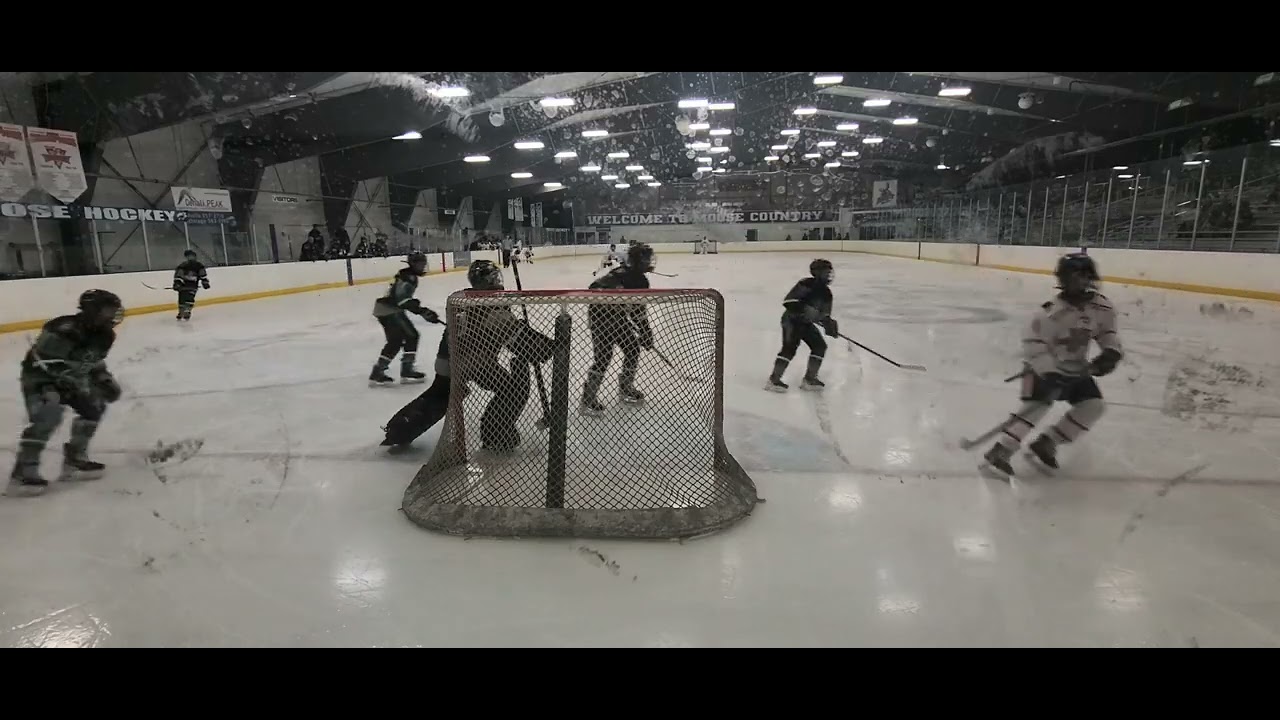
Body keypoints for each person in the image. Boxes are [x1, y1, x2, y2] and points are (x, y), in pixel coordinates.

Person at [380, 260, 553, 451]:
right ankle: (495, 433)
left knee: (439, 394)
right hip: (477, 362)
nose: (497, 281)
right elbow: (519, 341)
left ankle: (401, 428)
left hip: (447, 360)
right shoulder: (492, 306)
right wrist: (546, 346)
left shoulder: (463, 300)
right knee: (512, 390)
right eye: (493, 278)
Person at [982, 253, 1123, 477]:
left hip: (1077, 368)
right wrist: (1047, 371)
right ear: (1064, 280)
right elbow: (1033, 343)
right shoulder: (1050, 312)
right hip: (1040, 368)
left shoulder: (1102, 308)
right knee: (1038, 406)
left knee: (1093, 405)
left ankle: (1048, 442)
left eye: (1087, 276)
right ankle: (1002, 450)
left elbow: (1108, 334)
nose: (1084, 282)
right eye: (1077, 276)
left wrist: (1111, 352)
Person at [9, 290, 124, 496]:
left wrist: (103, 378)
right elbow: (46, 362)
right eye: (108, 310)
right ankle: (23, 471)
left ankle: (75, 459)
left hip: (71, 381)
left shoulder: (105, 335)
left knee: (94, 407)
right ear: (93, 311)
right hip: (40, 379)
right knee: (49, 413)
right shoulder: (63, 328)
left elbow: (91, 359)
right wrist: (74, 381)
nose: (113, 315)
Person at [580, 242, 656, 415]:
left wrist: (645, 331)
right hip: (602, 321)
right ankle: (588, 399)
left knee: (632, 349)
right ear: (639, 261)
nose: (650, 262)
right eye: (646, 259)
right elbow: (593, 288)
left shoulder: (641, 281)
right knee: (604, 357)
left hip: (619, 320)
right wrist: (614, 296)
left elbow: (638, 310)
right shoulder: (618, 274)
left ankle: (626, 387)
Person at [767, 259, 838, 392]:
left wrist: (829, 323)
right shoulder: (805, 284)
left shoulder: (827, 294)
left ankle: (809, 379)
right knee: (789, 348)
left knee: (819, 346)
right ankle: (774, 380)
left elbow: (824, 314)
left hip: (805, 324)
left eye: (829, 272)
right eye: (826, 272)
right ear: (817, 273)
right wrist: (806, 310)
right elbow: (789, 301)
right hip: (792, 321)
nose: (829, 275)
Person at [369, 252, 438, 386]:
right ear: (413, 264)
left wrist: (420, 309)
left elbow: (401, 299)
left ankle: (379, 371)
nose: (423, 266)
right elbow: (402, 300)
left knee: (395, 341)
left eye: (424, 263)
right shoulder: (408, 277)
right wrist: (422, 311)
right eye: (420, 264)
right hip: (389, 311)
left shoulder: (406, 275)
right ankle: (406, 370)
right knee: (411, 335)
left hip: (385, 309)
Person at [172, 249, 210, 321]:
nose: (190, 258)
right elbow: (179, 275)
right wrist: (177, 283)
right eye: (189, 256)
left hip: (192, 286)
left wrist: (205, 282)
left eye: (192, 256)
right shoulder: (183, 266)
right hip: (183, 286)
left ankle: (187, 311)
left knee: (190, 298)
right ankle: (181, 311)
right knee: (181, 299)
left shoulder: (199, 266)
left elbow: (203, 275)